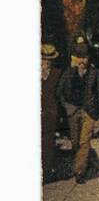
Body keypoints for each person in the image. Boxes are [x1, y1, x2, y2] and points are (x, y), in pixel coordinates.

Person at [57, 39, 99, 183]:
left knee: (84, 140)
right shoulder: (68, 72)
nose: (82, 60)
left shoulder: (94, 72)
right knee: (76, 142)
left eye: (85, 57)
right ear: (74, 58)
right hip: (73, 111)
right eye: (79, 57)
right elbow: (60, 92)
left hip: (89, 111)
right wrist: (67, 107)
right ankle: (91, 159)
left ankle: (79, 171)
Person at [41, 45, 61, 181]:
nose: (46, 62)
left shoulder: (57, 73)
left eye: (49, 60)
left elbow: (59, 94)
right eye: (44, 59)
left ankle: (47, 170)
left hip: (50, 111)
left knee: (48, 142)